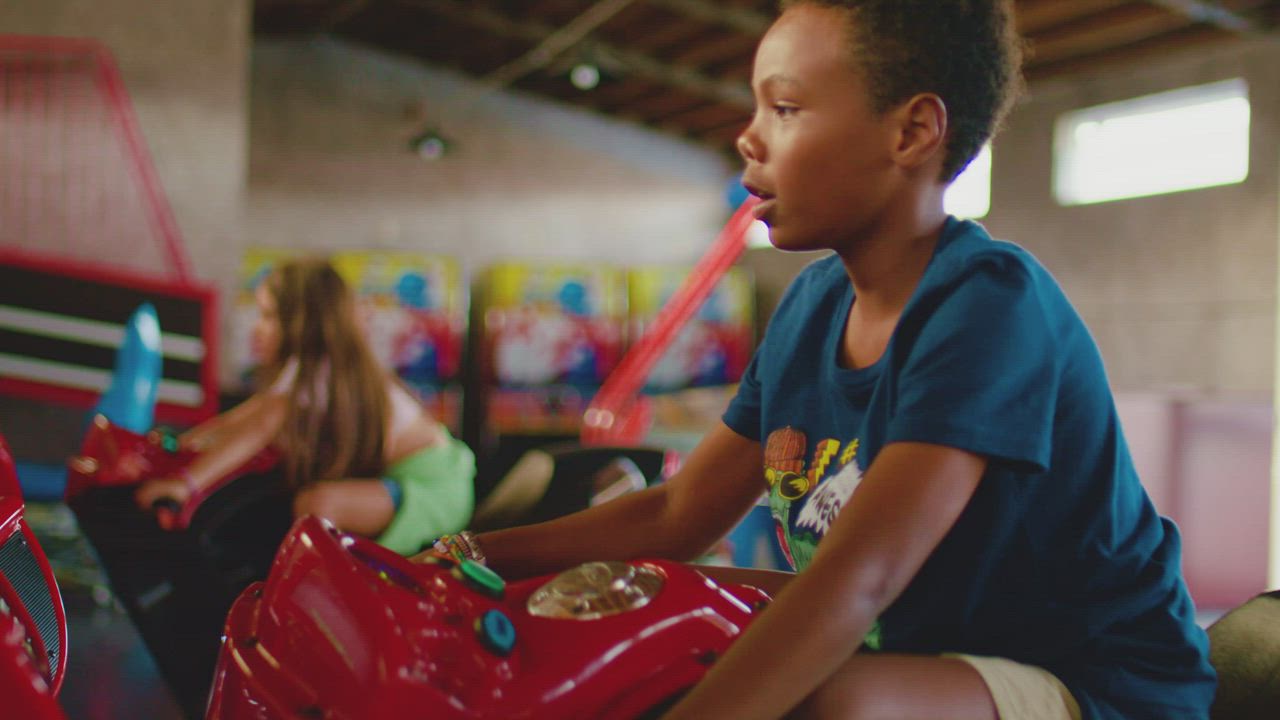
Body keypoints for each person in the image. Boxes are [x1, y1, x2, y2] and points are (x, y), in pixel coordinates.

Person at [426, 2, 1216, 718]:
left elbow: (858, 581)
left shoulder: (987, 306)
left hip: (1092, 679)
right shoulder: (809, 307)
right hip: (931, 640)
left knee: (832, 705)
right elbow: (674, 516)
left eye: (787, 107)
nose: (749, 133)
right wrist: (460, 559)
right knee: (657, 605)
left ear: (909, 134)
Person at [135, 257, 474, 556]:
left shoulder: (324, 372)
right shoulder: (309, 375)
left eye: (268, 316)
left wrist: (186, 484)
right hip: (412, 477)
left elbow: (261, 424)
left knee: (318, 504)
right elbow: (248, 415)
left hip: (435, 486)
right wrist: (181, 446)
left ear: (302, 321)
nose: (257, 327)